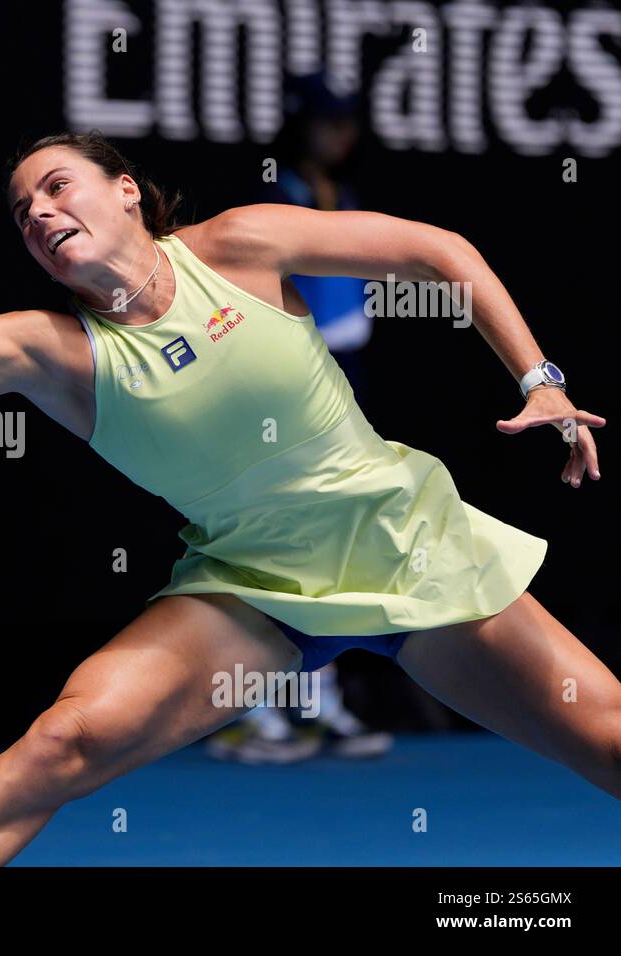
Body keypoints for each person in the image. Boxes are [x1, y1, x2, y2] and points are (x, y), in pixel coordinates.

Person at [0, 131, 612, 866]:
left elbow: (441, 252)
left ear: (125, 193)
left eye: (55, 186)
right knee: (66, 741)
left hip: (405, 541)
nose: (37, 212)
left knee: (604, 741)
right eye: (21, 209)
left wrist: (540, 378)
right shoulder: (55, 353)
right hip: (253, 589)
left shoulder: (238, 244)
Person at [207, 72, 392, 764]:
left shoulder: (341, 198)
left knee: (333, 542)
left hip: (345, 385)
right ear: (301, 126)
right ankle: (250, 710)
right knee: (265, 540)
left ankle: (319, 703)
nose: (343, 135)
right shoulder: (270, 200)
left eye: (348, 123)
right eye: (328, 122)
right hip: (283, 391)